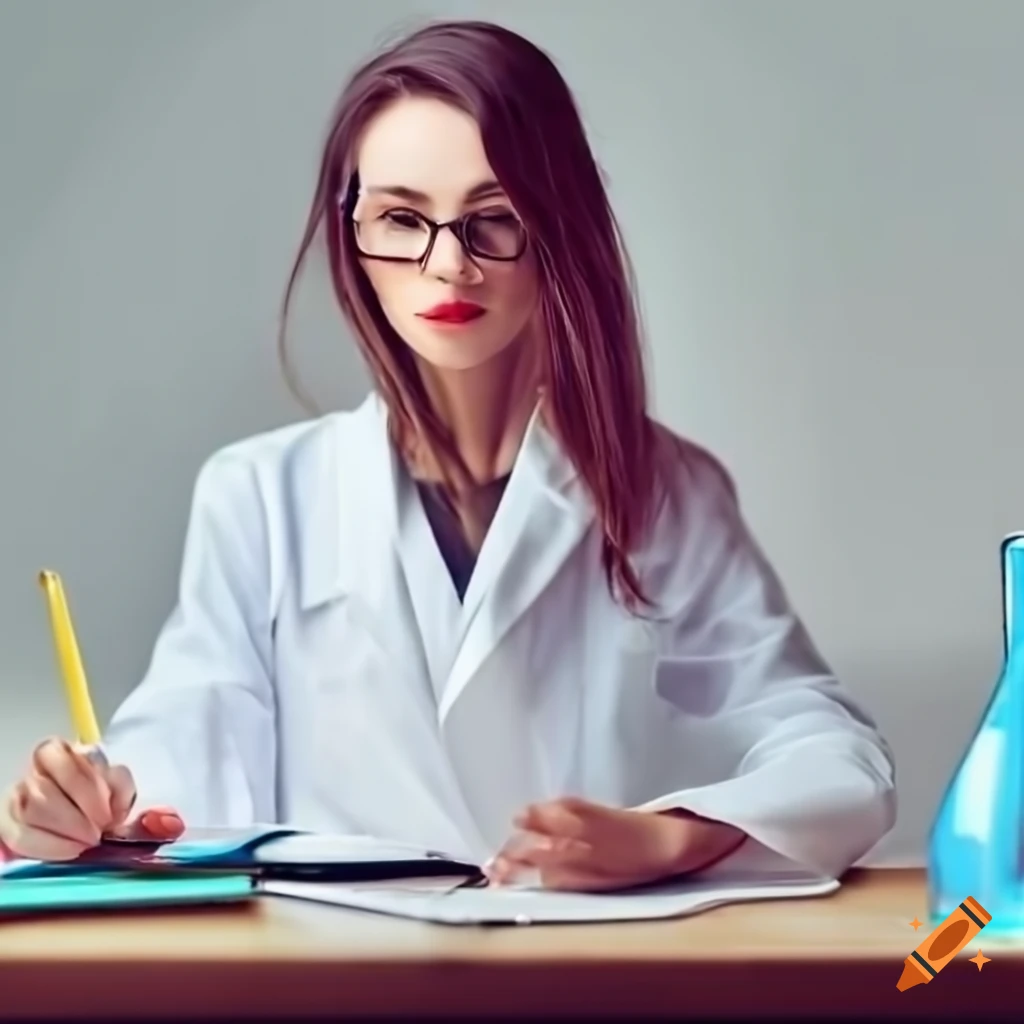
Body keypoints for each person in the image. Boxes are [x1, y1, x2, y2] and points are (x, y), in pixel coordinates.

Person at [0, 19, 896, 891]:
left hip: (585, 977)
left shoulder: (669, 494)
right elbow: (176, 768)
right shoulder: (260, 496)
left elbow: (837, 759)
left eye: (492, 219)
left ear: (558, 232)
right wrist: (82, 803)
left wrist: (669, 838)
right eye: (401, 217)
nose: (447, 266)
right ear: (353, 235)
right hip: (333, 982)